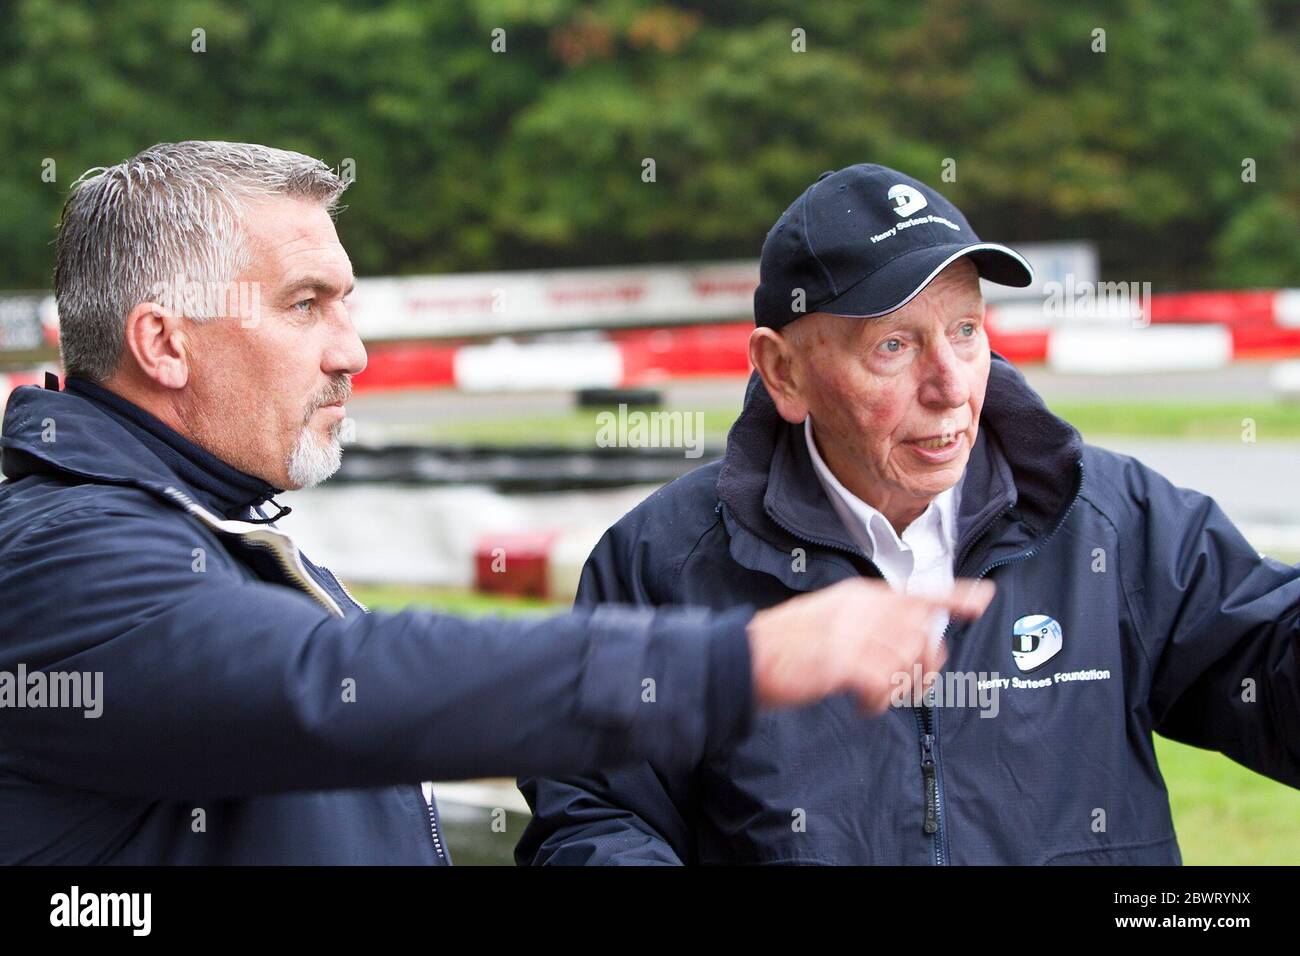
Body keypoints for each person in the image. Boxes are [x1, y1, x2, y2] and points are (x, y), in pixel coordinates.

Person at [0, 145, 994, 864]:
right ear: (165, 344)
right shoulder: (63, 556)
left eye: (347, 303)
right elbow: (334, 685)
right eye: (307, 303)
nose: (351, 351)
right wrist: (746, 658)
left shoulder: (193, 527)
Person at [517, 163, 1300, 865]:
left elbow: (1274, 671)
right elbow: (595, 815)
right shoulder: (660, 564)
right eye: (895, 346)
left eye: (966, 331)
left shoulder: (1114, 522)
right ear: (782, 372)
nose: (952, 384)